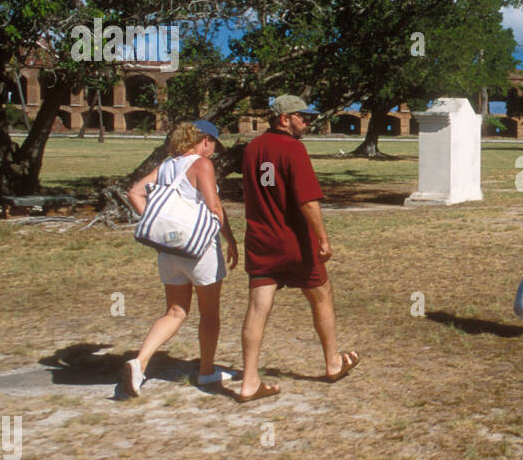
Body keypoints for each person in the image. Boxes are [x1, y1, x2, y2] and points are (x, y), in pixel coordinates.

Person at [237, 95, 358, 403]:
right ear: (284, 119)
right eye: (301, 116)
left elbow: (263, 186)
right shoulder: (293, 148)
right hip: (294, 242)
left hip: (261, 240)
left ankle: (249, 381)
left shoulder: (252, 148)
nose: (307, 121)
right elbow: (307, 200)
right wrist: (323, 239)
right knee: (321, 296)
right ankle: (333, 362)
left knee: (257, 308)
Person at [124, 120, 238, 397]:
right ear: (204, 140)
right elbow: (215, 207)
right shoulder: (201, 165)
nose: (212, 151)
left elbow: (134, 193)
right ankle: (207, 371)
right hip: (199, 251)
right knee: (209, 314)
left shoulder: (165, 166)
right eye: (212, 144)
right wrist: (230, 239)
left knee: (175, 311)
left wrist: (160, 227)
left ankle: (139, 362)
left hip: (169, 251)